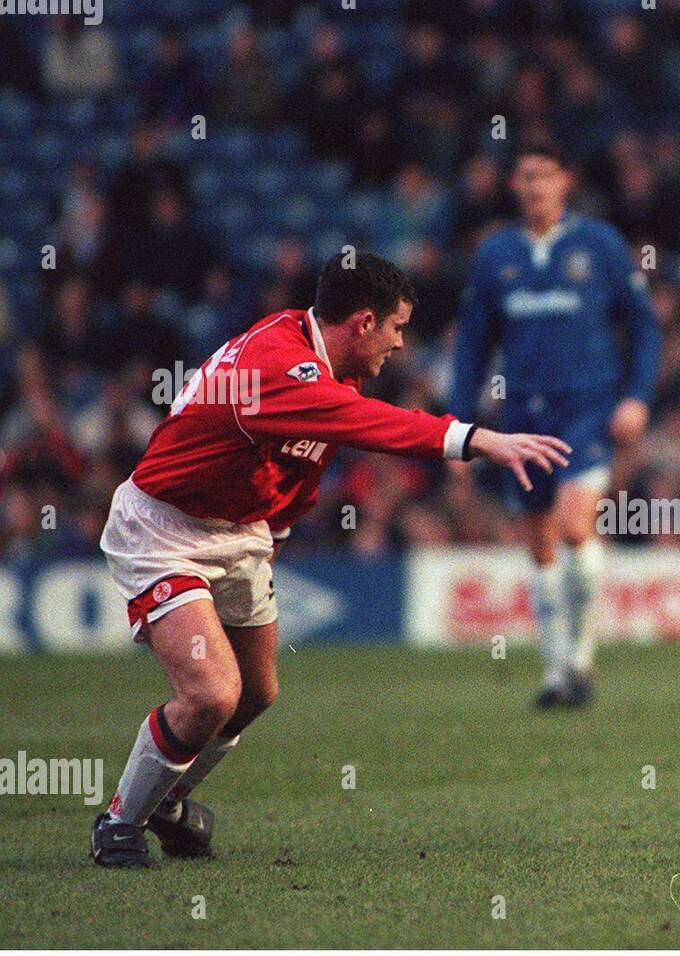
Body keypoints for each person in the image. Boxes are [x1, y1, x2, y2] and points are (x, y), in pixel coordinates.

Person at [93, 252, 570, 867]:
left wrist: (273, 534)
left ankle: (166, 800)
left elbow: (304, 461)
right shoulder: (277, 364)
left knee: (255, 693)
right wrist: (476, 440)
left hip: (242, 531)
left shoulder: (330, 368)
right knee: (212, 694)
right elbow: (367, 425)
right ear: (364, 322)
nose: (400, 344)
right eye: (397, 327)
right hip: (165, 528)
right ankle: (119, 824)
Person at [449, 144, 660, 707]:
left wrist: (637, 397)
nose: (534, 185)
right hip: (521, 413)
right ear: (513, 186)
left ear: (565, 180)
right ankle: (554, 670)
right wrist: (458, 420)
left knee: (573, 527)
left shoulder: (601, 244)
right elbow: (472, 345)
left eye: (544, 174)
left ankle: (581, 661)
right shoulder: (495, 254)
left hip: (587, 407)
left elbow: (643, 326)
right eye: (525, 176)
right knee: (540, 544)